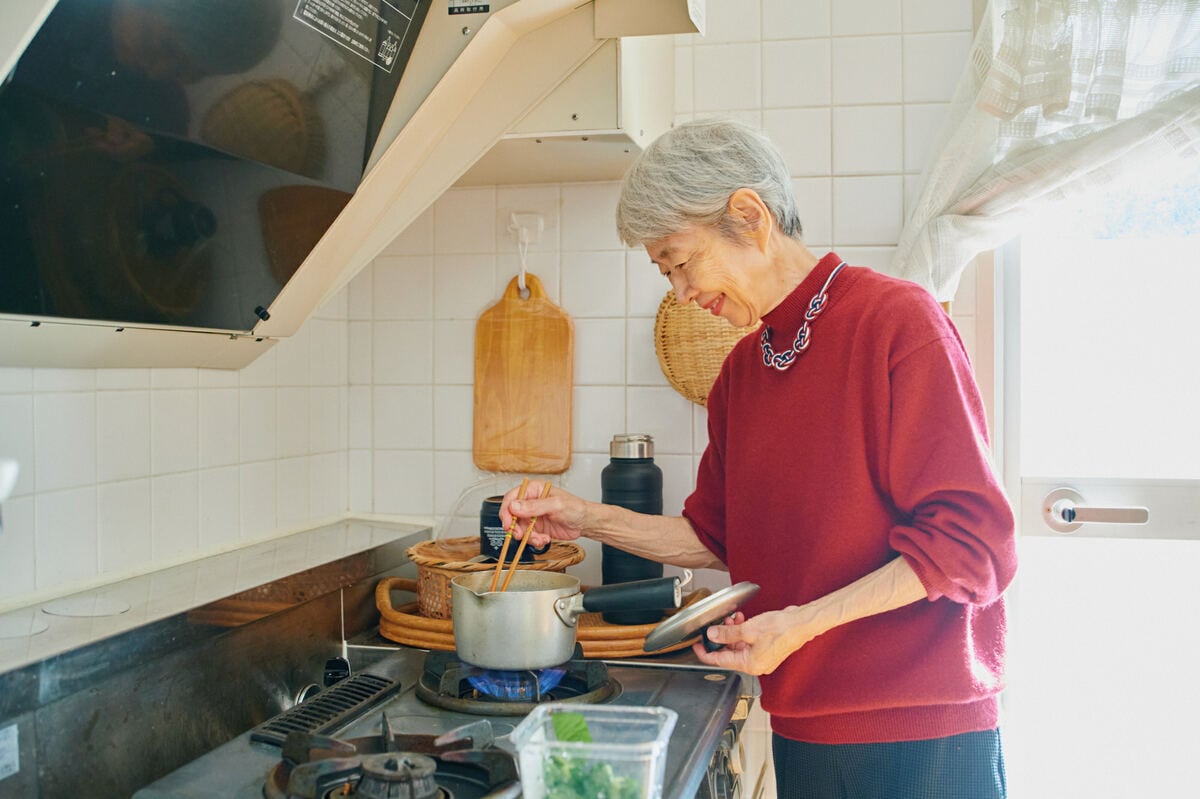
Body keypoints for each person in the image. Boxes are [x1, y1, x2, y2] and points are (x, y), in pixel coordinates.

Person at [500, 118, 1017, 799]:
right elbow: (711, 537)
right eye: (665, 272)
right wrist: (583, 515)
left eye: (681, 262)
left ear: (749, 214)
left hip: (922, 731)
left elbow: (971, 543)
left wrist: (801, 624)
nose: (680, 292)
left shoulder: (898, 323)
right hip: (803, 725)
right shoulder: (743, 371)